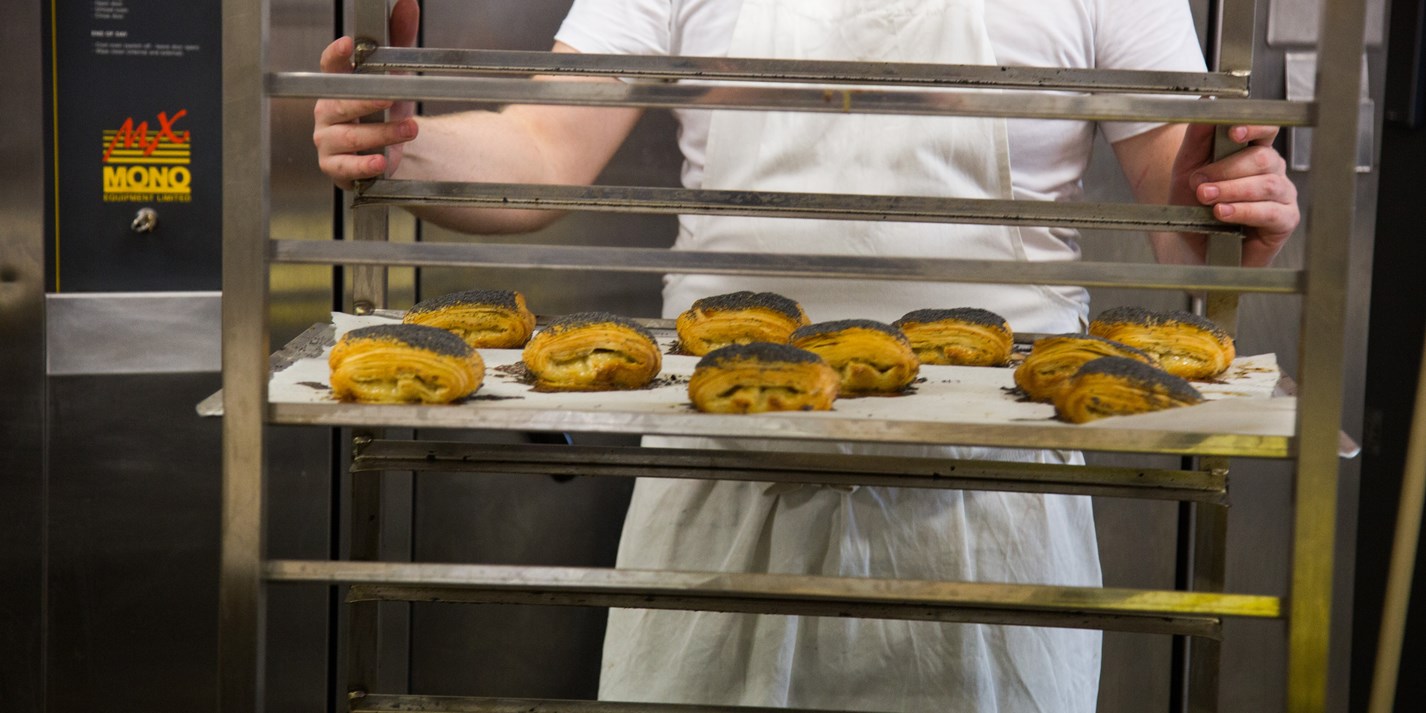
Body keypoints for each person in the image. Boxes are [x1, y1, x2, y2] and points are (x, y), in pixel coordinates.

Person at [314, 1, 1299, 711]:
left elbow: (1187, 205)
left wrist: (1232, 200)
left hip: (986, 512)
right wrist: (403, 153)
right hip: (724, 497)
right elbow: (539, 149)